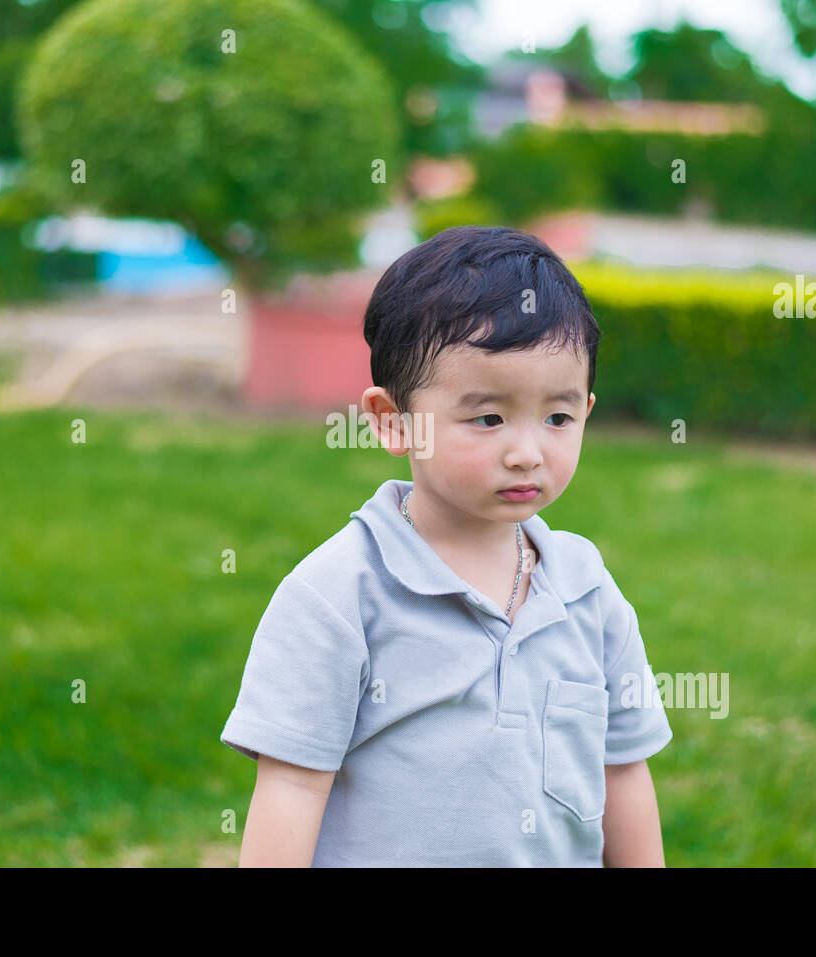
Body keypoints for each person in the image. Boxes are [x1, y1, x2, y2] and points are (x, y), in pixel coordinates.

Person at [219, 225, 673, 866]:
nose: (527, 452)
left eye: (558, 417)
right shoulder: (339, 595)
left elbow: (622, 769)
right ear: (392, 422)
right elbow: (292, 785)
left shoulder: (586, 590)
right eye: (487, 418)